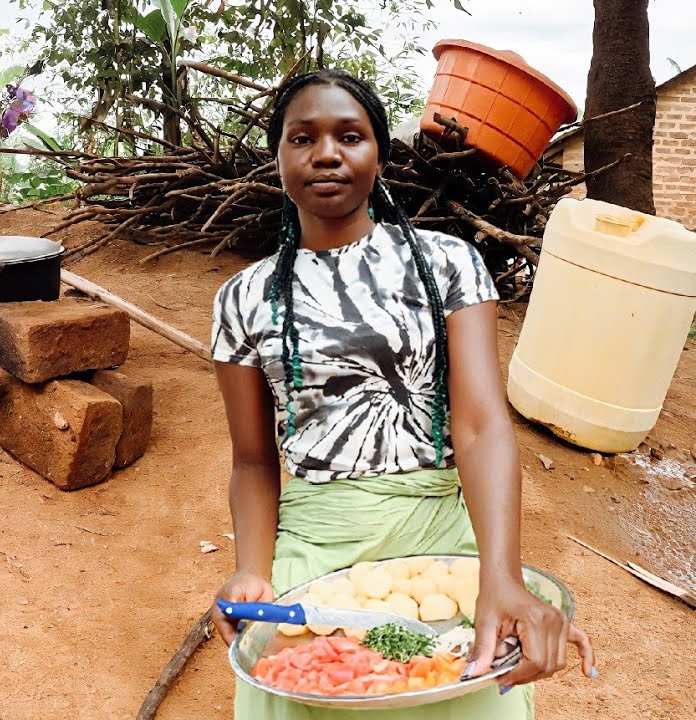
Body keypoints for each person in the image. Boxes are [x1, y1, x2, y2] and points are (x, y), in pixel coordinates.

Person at [208, 69, 596, 719]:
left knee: (465, 692)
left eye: (350, 136)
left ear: (379, 155)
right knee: (310, 689)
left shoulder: (449, 264)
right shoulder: (243, 300)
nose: (326, 152)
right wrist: (253, 569)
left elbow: (480, 427)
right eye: (302, 137)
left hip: (442, 537)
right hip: (315, 549)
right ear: (278, 156)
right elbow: (252, 460)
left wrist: (500, 576)